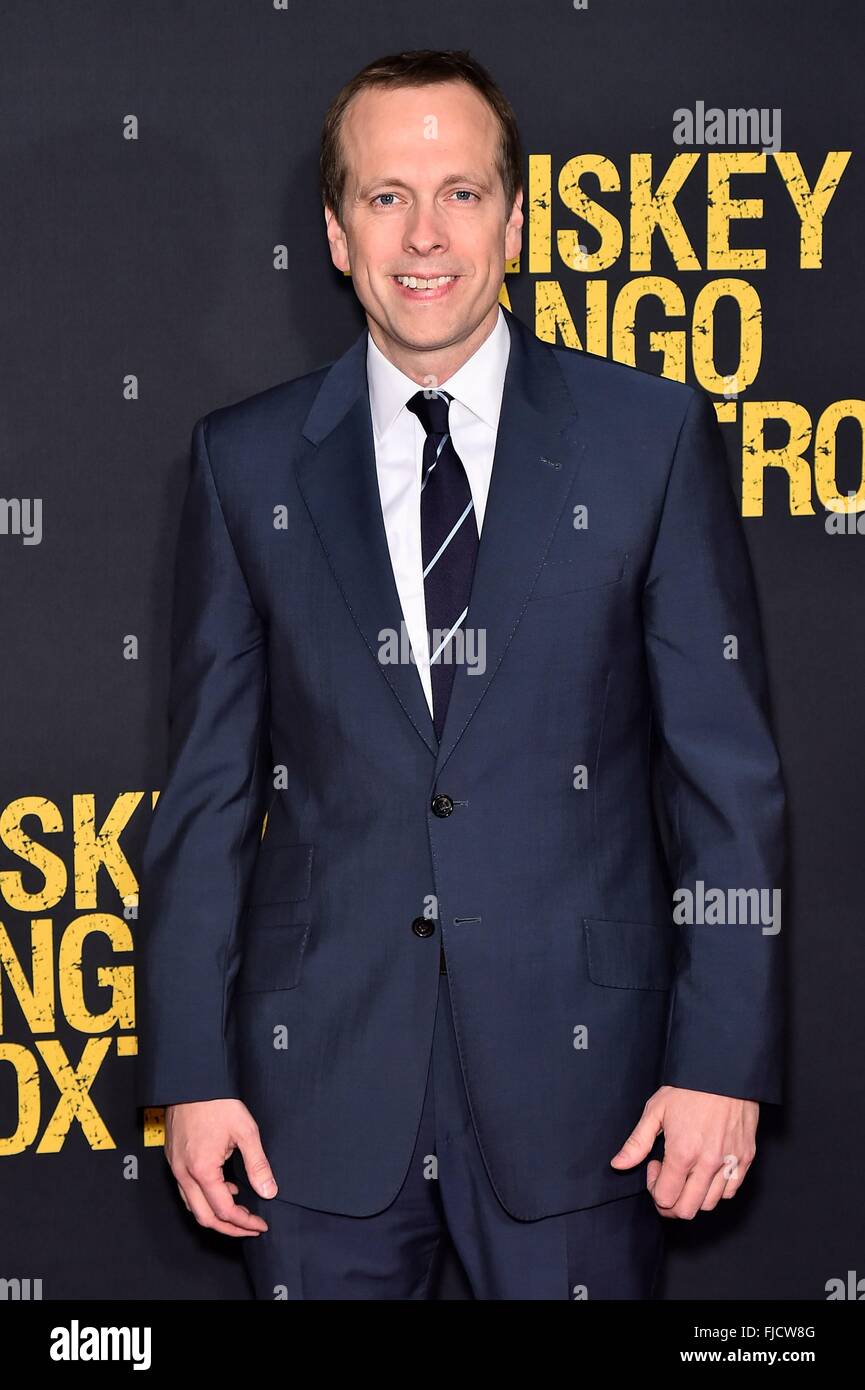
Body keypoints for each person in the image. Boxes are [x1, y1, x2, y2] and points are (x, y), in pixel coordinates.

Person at [135, 48, 786, 1300]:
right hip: (311, 1094)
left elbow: (726, 784)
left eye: (462, 192)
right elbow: (208, 792)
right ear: (335, 233)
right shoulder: (246, 461)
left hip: (586, 1091)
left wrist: (722, 1060)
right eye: (386, 197)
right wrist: (194, 1073)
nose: (424, 234)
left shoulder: (645, 439)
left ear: (517, 219)